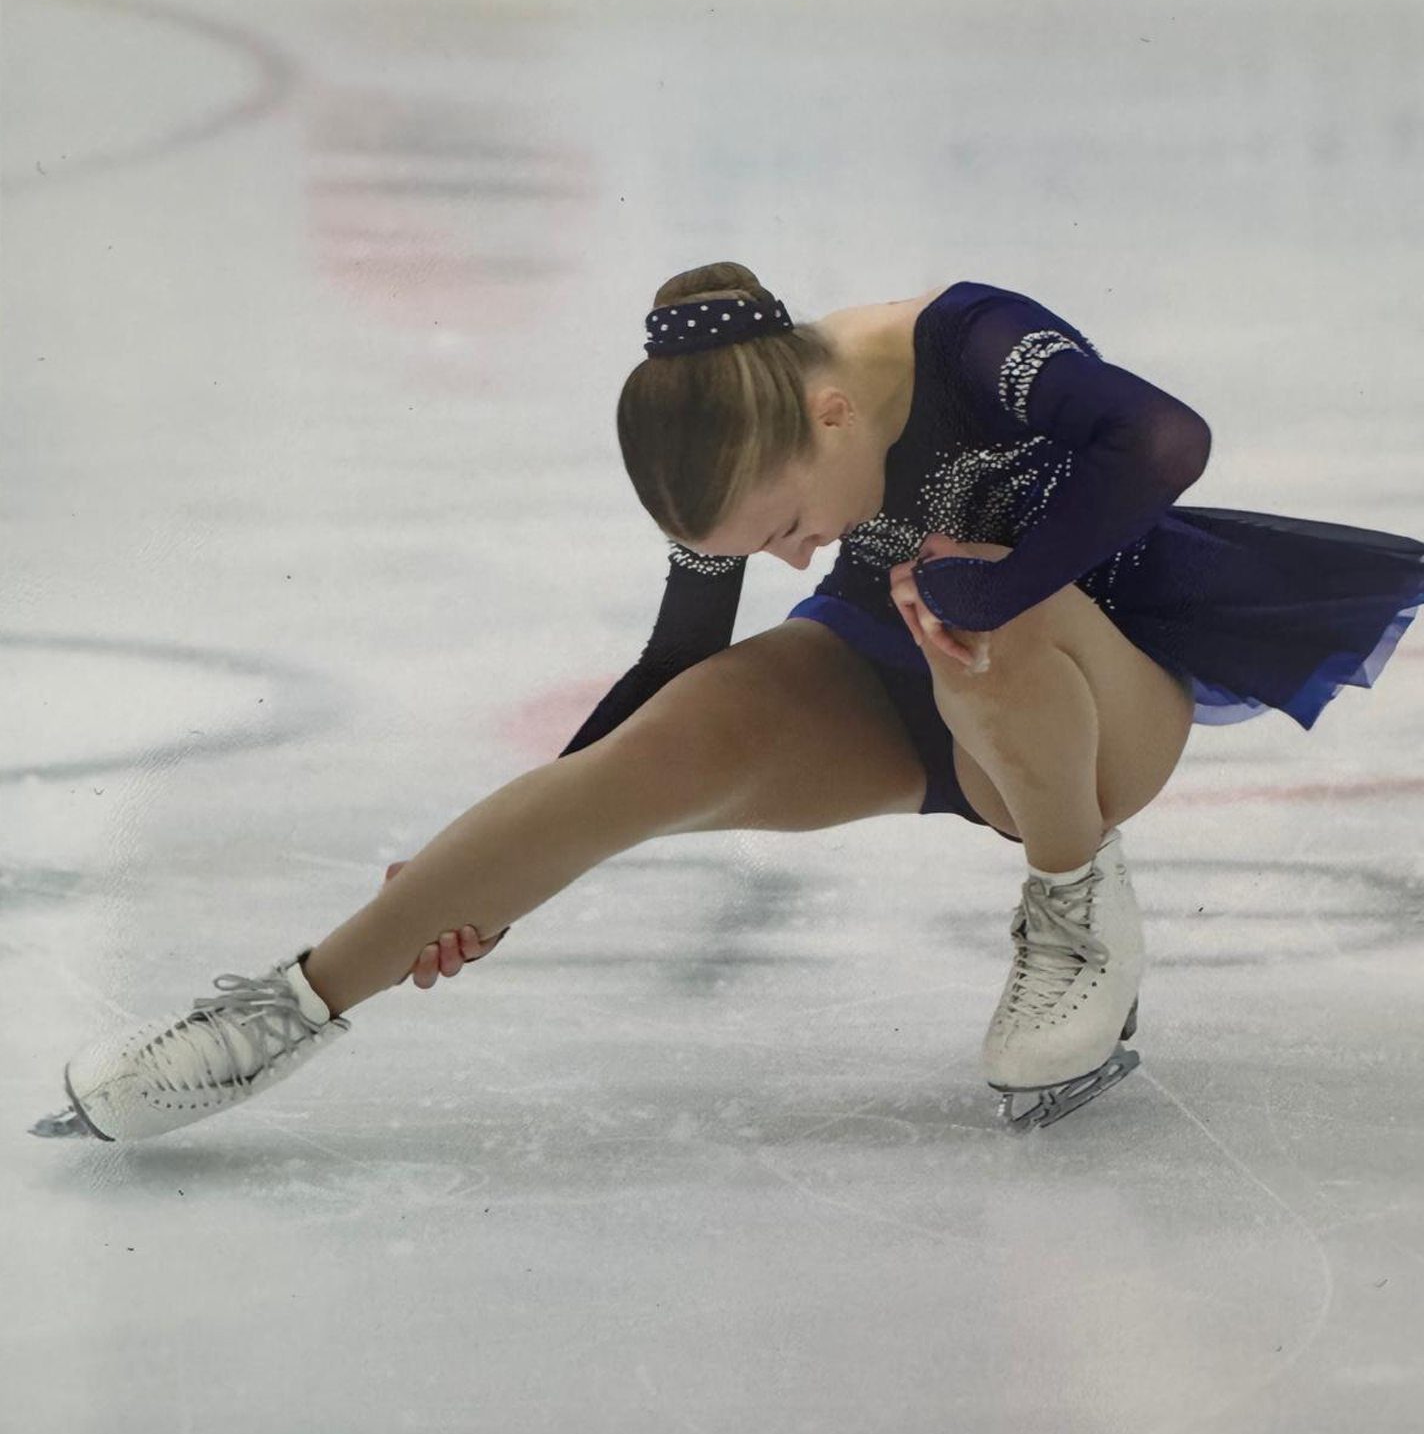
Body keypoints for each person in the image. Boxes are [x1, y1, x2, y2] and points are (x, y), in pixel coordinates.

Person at [31, 262, 1424, 1143]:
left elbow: (1163, 438)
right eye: (761, 547)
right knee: (662, 749)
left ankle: (1073, 911)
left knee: (960, 592)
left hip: (1096, 686)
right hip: (895, 682)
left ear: (829, 416)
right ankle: (275, 1013)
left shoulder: (971, 341)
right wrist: (503, 876)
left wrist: (1002, 597)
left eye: (786, 528)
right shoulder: (745, 431)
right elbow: (669, 673)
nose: (795, 556)